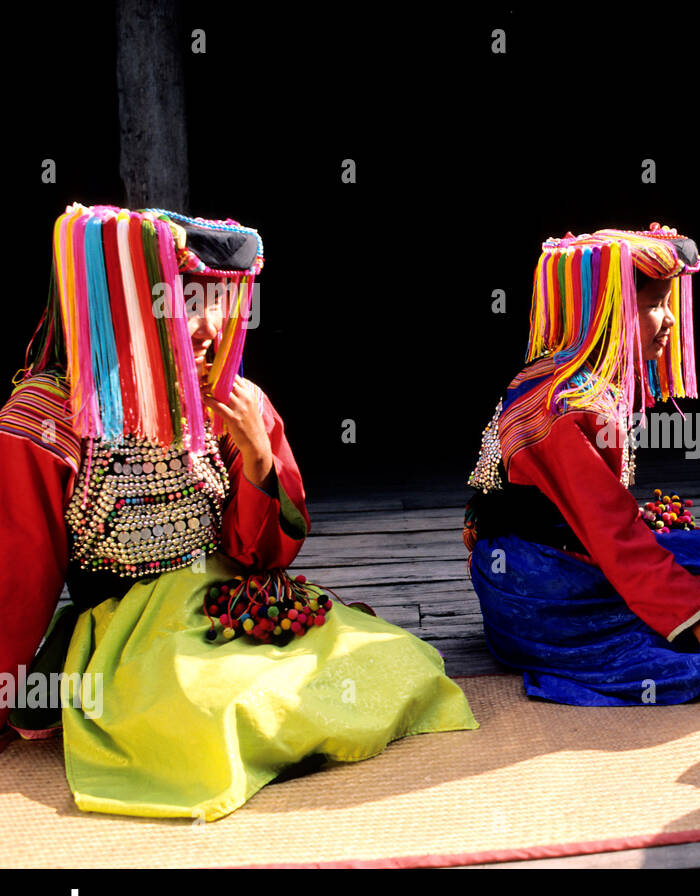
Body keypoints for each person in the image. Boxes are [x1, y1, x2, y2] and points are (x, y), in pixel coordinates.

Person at [0, 203, 476, 821]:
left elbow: (266, 555)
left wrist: (256, 454)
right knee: (218, 706)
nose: (209, 326)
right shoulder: (46, 418)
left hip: (235, 604)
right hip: (130, 636)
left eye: (219, 301)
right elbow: (19, 578)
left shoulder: (233, 401)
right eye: (185, 301)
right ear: (122, 301)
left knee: (395, 662)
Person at [466, 225, 700, 705]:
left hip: (545, 565)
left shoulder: (565, 377)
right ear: (602, 313)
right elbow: (613, 533)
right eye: (651, 306)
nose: (668, 320)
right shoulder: (567, 404)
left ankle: (684, 626)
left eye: (667, 304)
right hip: (542, 588)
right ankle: (668, 637)